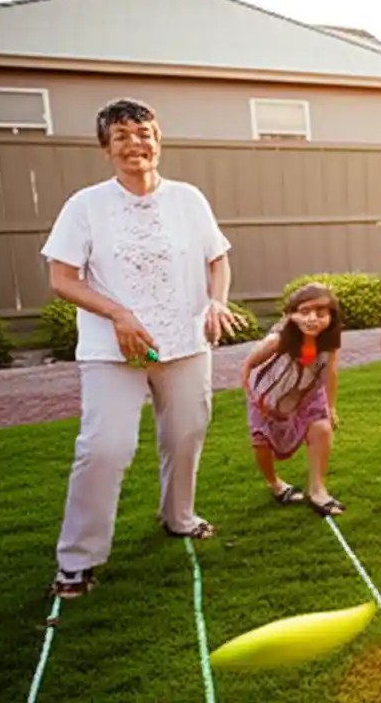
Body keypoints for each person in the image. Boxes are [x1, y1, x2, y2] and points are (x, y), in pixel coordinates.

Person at [41, 98, 245, 599]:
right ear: (106, 148)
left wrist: (216, 303)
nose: (136, 144)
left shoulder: (188, 199)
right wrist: (118, 313)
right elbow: (61, 278)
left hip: (184, 343)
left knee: (184, 435)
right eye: (123, 136)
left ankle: (179, 517)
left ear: (159, 139)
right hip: (115, 349)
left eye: (144, 133)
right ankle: (78, 559)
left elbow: (217, 259)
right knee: (105, 447)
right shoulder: (85, 205)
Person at [242, 283, 344, 516]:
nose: (312, 319)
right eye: (304, 312)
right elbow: (248, 366)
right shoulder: (277, 340)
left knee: (322, 429)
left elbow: (331, 373)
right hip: (269, 396)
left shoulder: (329, 342)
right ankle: (274, 483)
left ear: (331, 316)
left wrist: (331, 406)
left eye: (321, 313)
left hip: (308, 393)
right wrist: (257, 402)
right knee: (262, 443)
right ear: (291, 315)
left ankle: (318, 490)